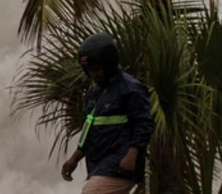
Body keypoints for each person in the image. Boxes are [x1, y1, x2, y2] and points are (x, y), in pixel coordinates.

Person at [60, 33, 155, 194]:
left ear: (109, 65)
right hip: (99, 164)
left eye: (97, 70)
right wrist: (74, 159)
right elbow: (89, 129)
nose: (94, 75)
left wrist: (132, 155)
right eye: (90, 71)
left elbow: (144, 123)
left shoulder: (130, 89)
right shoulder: (95, 93)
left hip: (120, 163)